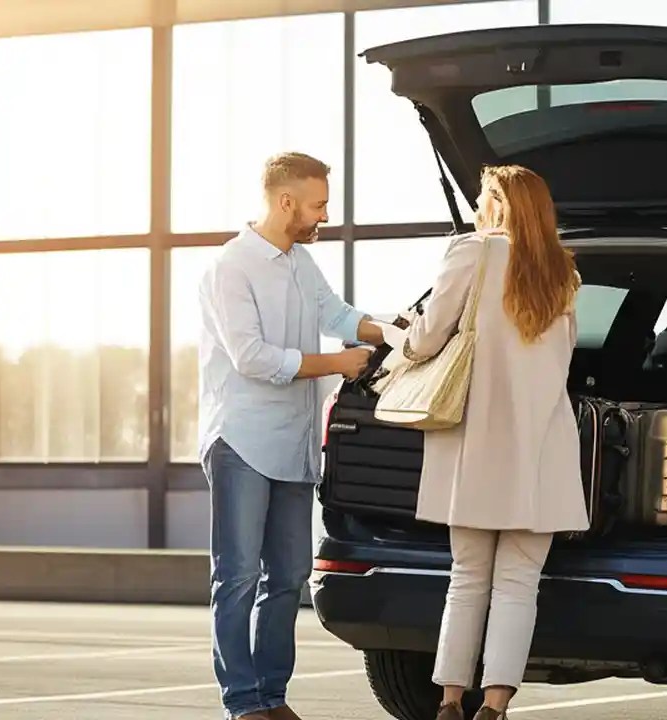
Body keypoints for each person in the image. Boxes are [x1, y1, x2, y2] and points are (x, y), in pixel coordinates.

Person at [197, 151, 388, 720]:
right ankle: (242, 703)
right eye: (318, 204)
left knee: (286, 578)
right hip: (242, 443)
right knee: (236, 577)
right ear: (286, 202)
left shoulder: (300, 262)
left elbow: (338, 312)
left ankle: (273, 698)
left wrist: (402, 334)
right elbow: (252, 358)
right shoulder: (231, 267)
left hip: (293, 446)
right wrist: (336, 364)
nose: (323, 215)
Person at [400, 165, 589, 720]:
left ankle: (451, 699)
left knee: (467, 577)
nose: (480, 206)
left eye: (485, 197)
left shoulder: (470, 253)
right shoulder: (565, 273)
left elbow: (429, 334)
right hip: (544, 445)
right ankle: (497, 703)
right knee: (518, 584)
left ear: (500, 206)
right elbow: (567, 356)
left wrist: (402, 344)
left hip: (479, 443)